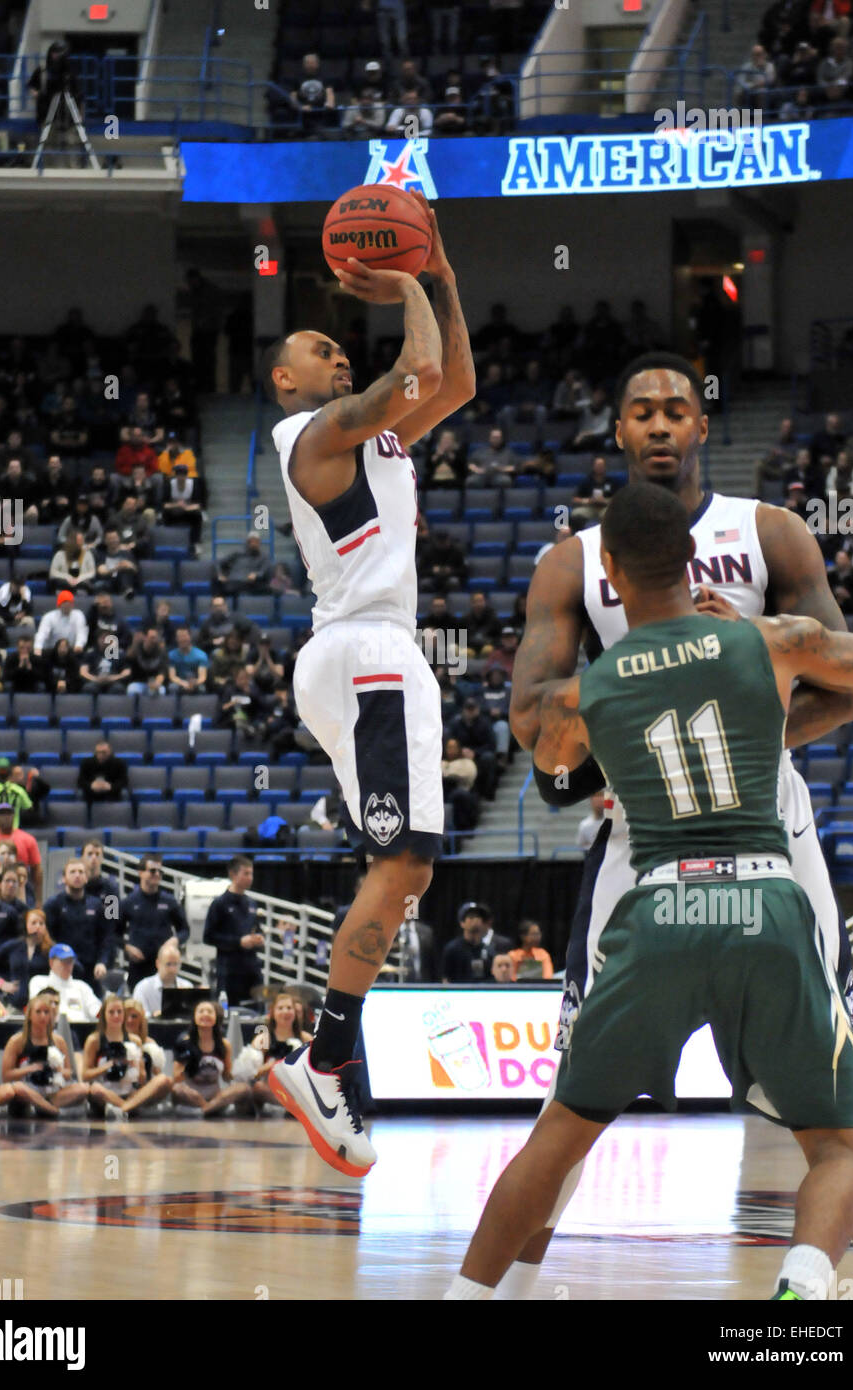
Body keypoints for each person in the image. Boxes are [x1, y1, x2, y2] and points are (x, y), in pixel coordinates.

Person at [497, 352, 853, 1299]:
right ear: (621, 432)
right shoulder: (571, 560)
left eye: (677, 408)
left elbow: (847, 680)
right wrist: (641, 697)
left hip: (767, 826)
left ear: (704, 426)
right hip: (642, 832)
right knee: (575, 1085)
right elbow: (532, 716)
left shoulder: (770, 533)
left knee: (836, 1072)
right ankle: (508, 1288)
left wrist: (743, 704)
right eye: (642, 412)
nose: (662, 424)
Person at [262, 190, 474, 1175]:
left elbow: (452, 380)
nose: (337, 355)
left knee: (412, 865)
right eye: (320, 347)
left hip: (380, 652)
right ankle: (322, 1059)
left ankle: (331, 1051)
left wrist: (437, 271)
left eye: (342, 349)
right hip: (365, 649)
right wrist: (400, 282)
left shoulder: (374, 435)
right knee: (399, 864)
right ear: (282, 377)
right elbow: (417, 367)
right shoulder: (309, 438)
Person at [81, 994, 172, 1120]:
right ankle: (129, 1108)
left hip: (130, 1092)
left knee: (163, 1080)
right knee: (95, 1089)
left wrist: (136, 1065)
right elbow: (85, 1075)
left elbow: (141, 1079)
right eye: (111, 1012)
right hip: (105, 1092)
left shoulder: (135, 1040)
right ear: (104, 1015)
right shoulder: (94, 1040)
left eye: (119, 1012)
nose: (116, 1016)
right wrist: (108, 1066)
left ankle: (123, 1109)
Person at [2, 994, 90, 1117]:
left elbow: (68, 1073)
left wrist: (58, 1070)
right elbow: (6, 1076)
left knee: (83, 1088)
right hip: (27, 1092)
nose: (43, 1016)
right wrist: (30, 1068)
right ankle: (49, 1109)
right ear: (30, 1015)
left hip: (52, 1092)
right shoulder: (17, 1041)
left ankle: (43, 1105)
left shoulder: (59, 1041)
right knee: (18, 1088)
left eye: (46, 1012)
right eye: (38, 1012)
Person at [119, 856, 188, 991]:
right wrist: (127, 948)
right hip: (138, 966)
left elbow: (185, 930)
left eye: (159, 871)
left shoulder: (170, 901)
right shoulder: (128, 902)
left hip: (164, 965)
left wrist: (175, 940)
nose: (157, 874)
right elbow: (114, 933)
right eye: (152, 871)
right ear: (140, 872)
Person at [202, 856, 265, 1005]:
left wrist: (258, 939)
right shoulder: (220, 903)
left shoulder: (251, 903)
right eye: (246, 873)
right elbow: (208, 936)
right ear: (233, 874)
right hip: (229, 970)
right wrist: (238, 942)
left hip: (251, 969)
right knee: (229, 1012)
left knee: (256, 1015)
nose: (250, 878)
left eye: (251, 874)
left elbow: (256, 929)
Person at [236, 991, 313, 1111]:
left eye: (289, 1008)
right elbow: (251, 1074)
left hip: (297, 1089)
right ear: (272, 1013)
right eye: (280, 1008)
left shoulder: (305, 1038)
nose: (285, 1012)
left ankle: (297, 1106)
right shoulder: (263, 1039)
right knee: (258, 1087)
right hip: (270, 1090)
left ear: (295, 1012)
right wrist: (272, 1065)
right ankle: (294, 1108)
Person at [171, 999, 249, 1116]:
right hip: (191, 1095)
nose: (205, 1014)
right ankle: (209, 1108)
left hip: (215, 1096)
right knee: (176, 1089)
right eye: (201, 1011)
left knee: (243, 1088)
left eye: (209, 1012)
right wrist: (189, 1061)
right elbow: (176, 1078)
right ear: (194, 1018)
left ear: (216, 1018)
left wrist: (243, 1069)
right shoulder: (185, 1042)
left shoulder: (224, 1045)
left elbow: (227, 1077)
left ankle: (206, 1109)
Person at [43, 860, 112, 989]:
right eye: (72, 872)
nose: (77, 875)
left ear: (86, 878)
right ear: (64, 878)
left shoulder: (97, 905)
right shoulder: (52, 905)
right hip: (62, 966)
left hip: (91, 970)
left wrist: (102, 962)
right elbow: (47, 938)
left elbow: (106, 937)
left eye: (81, 872)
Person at [0, 906, 53, 1010]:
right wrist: (1, 983)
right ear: (26, 925)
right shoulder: (14, 946)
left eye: (41, 923)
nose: (38, 926)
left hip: (42, 1005)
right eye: (34, 923)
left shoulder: (50, 949)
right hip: (15, 1003)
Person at [0, 804, 43, 901]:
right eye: (1, 814)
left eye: (8, 814)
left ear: (14, 816)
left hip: (20, 887)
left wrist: (39, 901)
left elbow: (37, 870)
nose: (5, 817)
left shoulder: (28, 839)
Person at [28, 943, 101, 1023]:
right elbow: (38, 1009)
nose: (68, 965)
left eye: (71, 961)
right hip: (51, 1029)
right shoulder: (38, 982)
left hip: (81, 1030)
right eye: (64, 961)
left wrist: (104, 1015)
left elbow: (95, 1009)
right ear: (51, 962)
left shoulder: (82, 986)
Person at [132, 940, 192, 1017]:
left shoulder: (187, 987)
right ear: (158, 963)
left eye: (176, 964)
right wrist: (156, 1016)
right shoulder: (143, 988)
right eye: (168, 964)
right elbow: (139, 1017)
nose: (172, 969)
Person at [441, 906, 495, 983]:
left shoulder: (487, 949)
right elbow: (445, 978)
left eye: (478, 917)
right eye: (471, 917)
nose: (476, 920)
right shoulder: (452, 949)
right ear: (462, 923)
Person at [33, 590, 88, 655]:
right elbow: (42, 634)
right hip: (53, 651)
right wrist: (37, 647)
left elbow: (81, 632)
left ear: (72, 604)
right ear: (59, 605)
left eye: (69, 603)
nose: (67, 605)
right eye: (64, 603)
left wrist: (79, 645)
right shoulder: (49, 617)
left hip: (72, 651)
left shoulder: (79, 615)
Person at [77, 739, 129, 804]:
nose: (100, 755)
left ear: (110, 752)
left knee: (124, 793)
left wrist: (111, 787)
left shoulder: (119, 763)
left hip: (112, 793)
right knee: (80, 793)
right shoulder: (86, 763)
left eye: (104, 752)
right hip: (91, 793)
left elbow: (124, 781)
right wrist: (91, 786)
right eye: (98, 752)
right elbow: (80, 781)